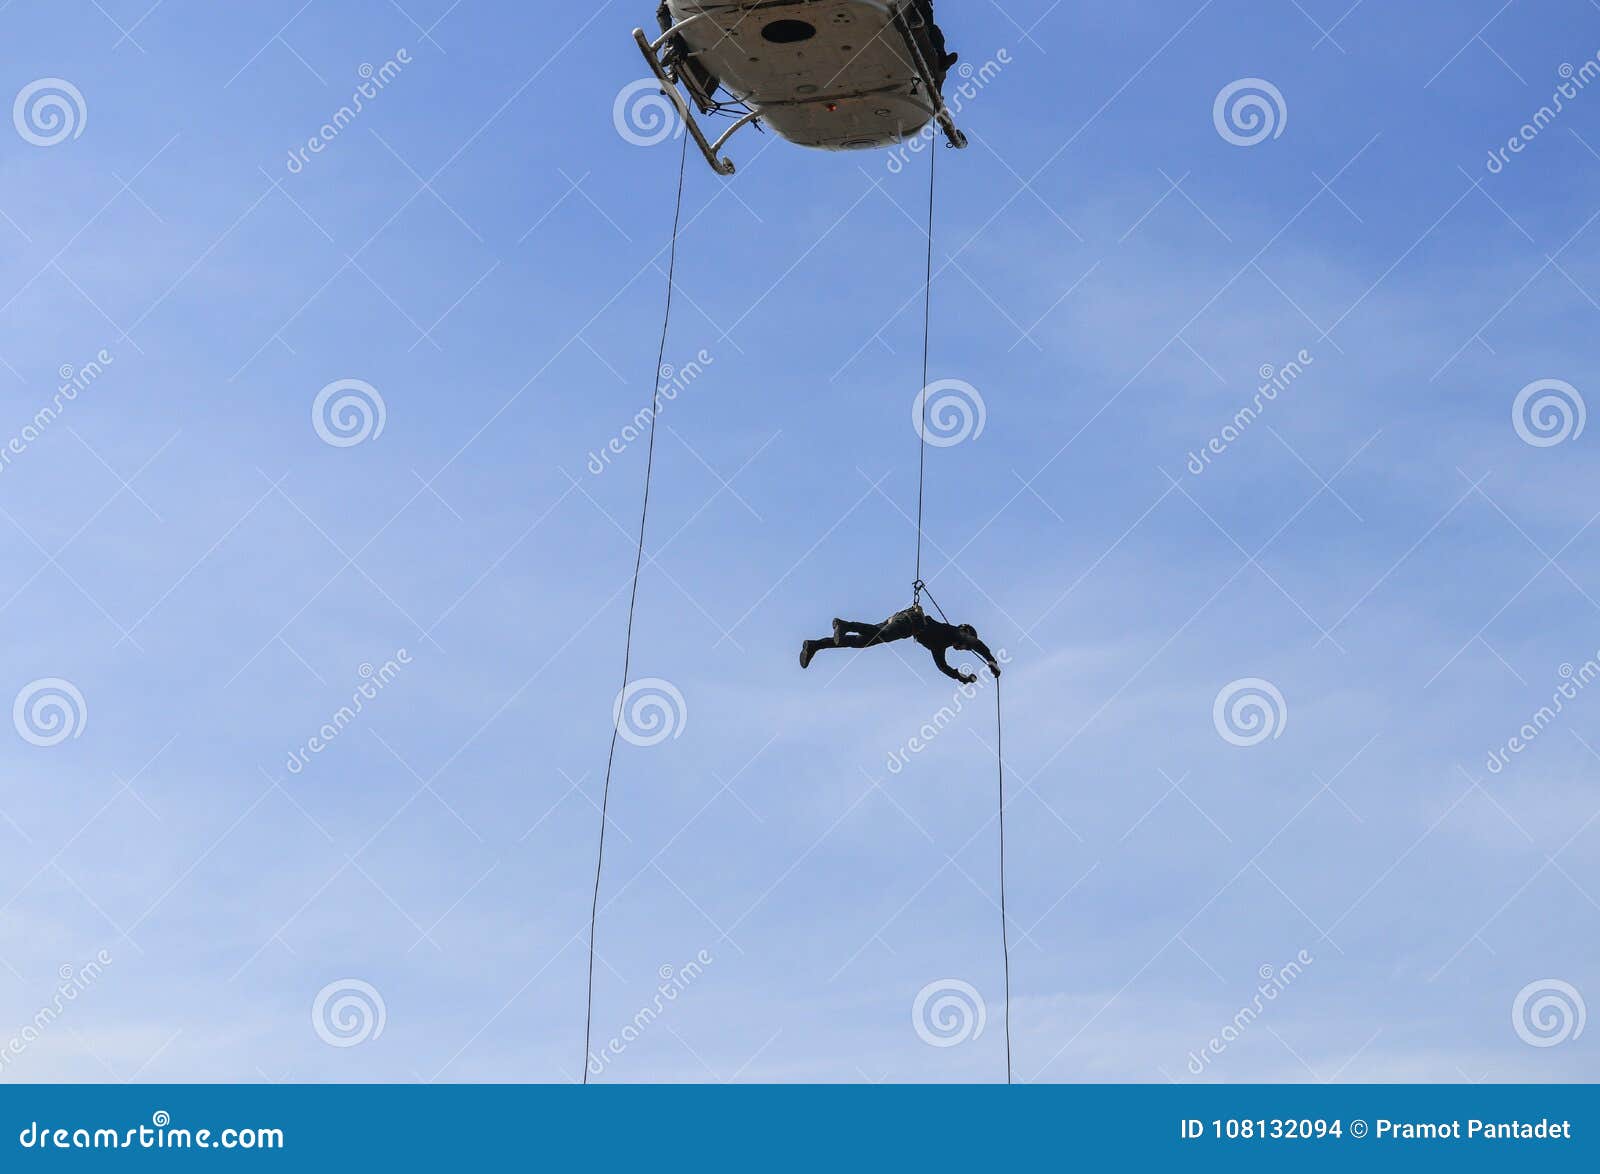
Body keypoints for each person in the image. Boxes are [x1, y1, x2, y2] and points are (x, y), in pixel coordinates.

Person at [800, 603, 1000, 684]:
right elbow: (975, 643)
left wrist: (962, 678)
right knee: (879, 635)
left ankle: (815, 645)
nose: (963, 648)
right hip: (910, 621)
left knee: (861, 642)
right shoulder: (954, 633)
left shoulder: (940, 645)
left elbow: (943, 667)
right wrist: (991, 661)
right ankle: (844, 625)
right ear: (965, 632)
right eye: (965, 647)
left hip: (903, 622)